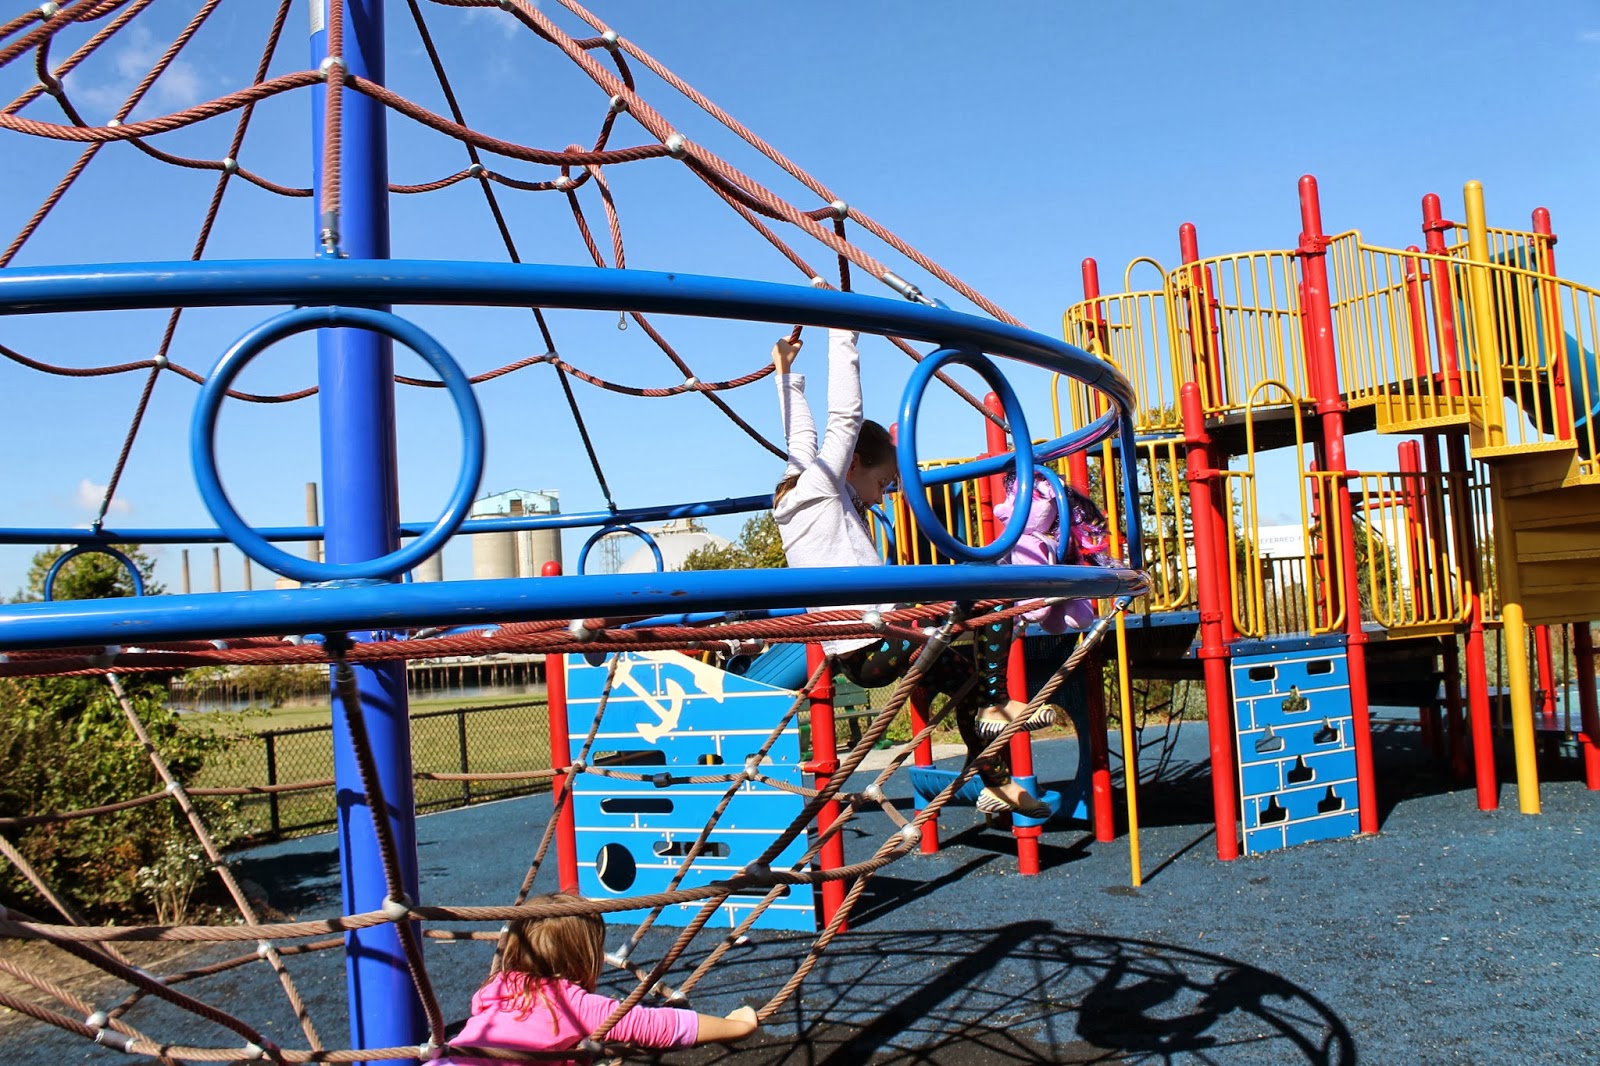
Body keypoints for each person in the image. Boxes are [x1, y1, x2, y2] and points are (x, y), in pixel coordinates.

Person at [770, 328, 1052, 819]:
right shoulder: (820, 490)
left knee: (965, 679)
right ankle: (996, 703)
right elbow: (845, 419)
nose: (881, 496)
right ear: (851, 463)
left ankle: (993, 780)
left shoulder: (805, 493)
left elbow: (801, 441)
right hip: (874, 640)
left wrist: (787, 374)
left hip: (869, 646)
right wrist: (842, 333)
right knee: (991, 588)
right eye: (881, 482)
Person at [439, 902, 758, 1065]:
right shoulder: (570, 1003)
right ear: (584, 961)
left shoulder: (496, 989)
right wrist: (738, 1026)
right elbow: (658, 1025)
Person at [993, 469, 1116, 632]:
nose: (999, 510)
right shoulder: (1022, 540)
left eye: (1015, 504)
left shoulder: (1063, 537)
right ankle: (1047, 607)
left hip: (1058, 569)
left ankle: (1070, 607)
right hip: (1033, 581)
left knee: (1069, 563)